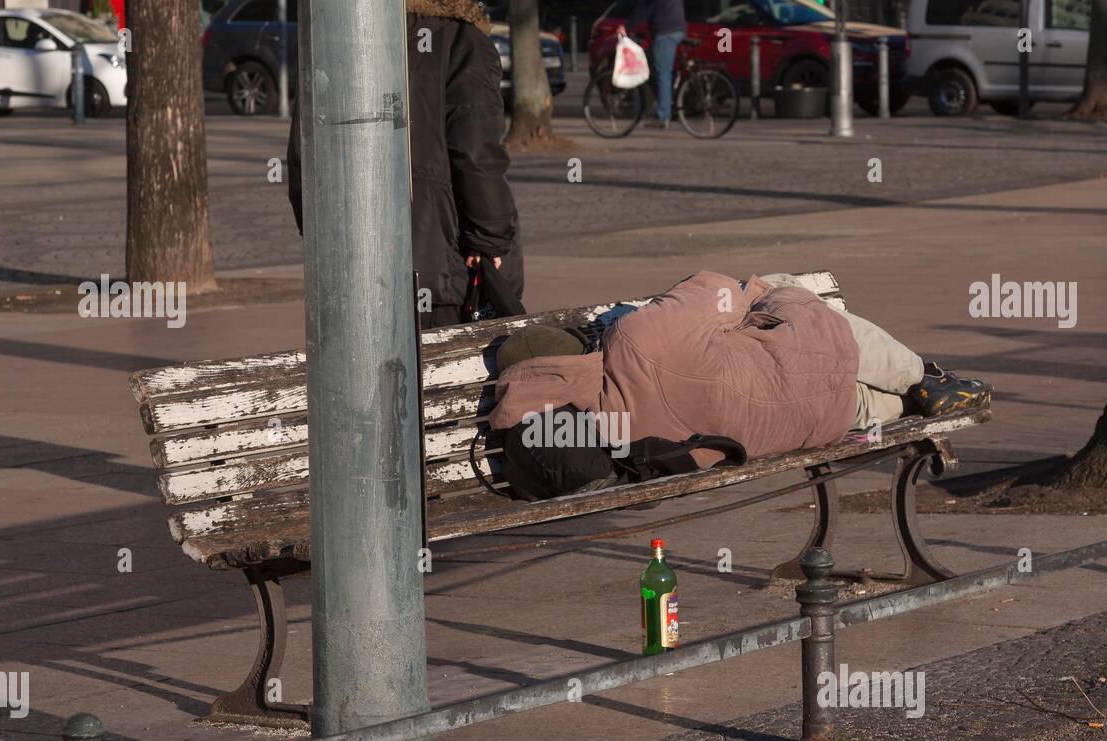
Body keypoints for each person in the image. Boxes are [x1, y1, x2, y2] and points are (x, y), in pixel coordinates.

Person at [488, 271, 989, 483]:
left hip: (815, 423)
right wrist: (754, 297)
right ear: (576, 346)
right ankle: (921, 376)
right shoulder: (634, 338)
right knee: (789, 296)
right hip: (801, 366)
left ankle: (907, 399)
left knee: (837, 397)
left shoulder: (614, 433)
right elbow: (716, 290)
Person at [287, 0, 523, 328]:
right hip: (438, 264)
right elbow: (476, 154)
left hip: (351, 271)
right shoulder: (459, 41)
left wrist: (326, 239)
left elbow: (304, 155)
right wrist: (490, 239)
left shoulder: (335, 37)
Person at [618, 0, 688, 128]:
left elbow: (645, 7)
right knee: (656, 67)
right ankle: (666, 102)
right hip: (677, 28)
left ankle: (662, 116)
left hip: (665, 32)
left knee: (663, 75)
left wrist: (626, 27)